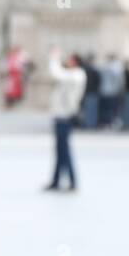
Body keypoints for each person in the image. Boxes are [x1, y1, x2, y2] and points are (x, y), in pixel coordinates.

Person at [43, 50, 86, 192]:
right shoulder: (73, 75)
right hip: (60, 116)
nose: (67, 61)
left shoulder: (76, 75)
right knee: (60, 150)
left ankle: (72, 182)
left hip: (65, 116)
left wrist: (54, 57)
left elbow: (56, 73)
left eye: (70, 59)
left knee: (64, 150)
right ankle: (56, 181)